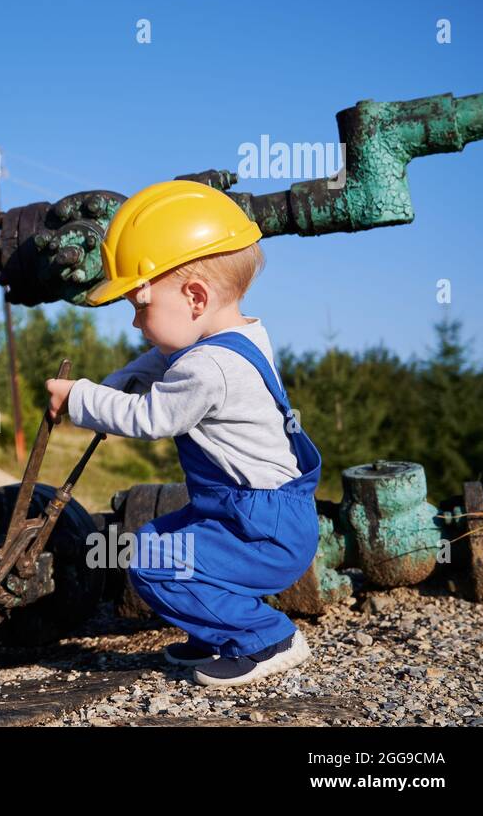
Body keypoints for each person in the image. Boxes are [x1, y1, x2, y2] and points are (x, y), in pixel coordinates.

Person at [45, 179, 321, 688]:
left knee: (152, 563)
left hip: (259, 526)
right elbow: (162, 360)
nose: (134, 322)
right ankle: (216, 630)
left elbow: (151, 418)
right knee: (154, 541)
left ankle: (268, 639)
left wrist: (81, 398)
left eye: (139, 305)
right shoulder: (234, 338)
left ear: (195, 296)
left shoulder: (210, 366)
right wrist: (114, 383)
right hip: (255, 512)